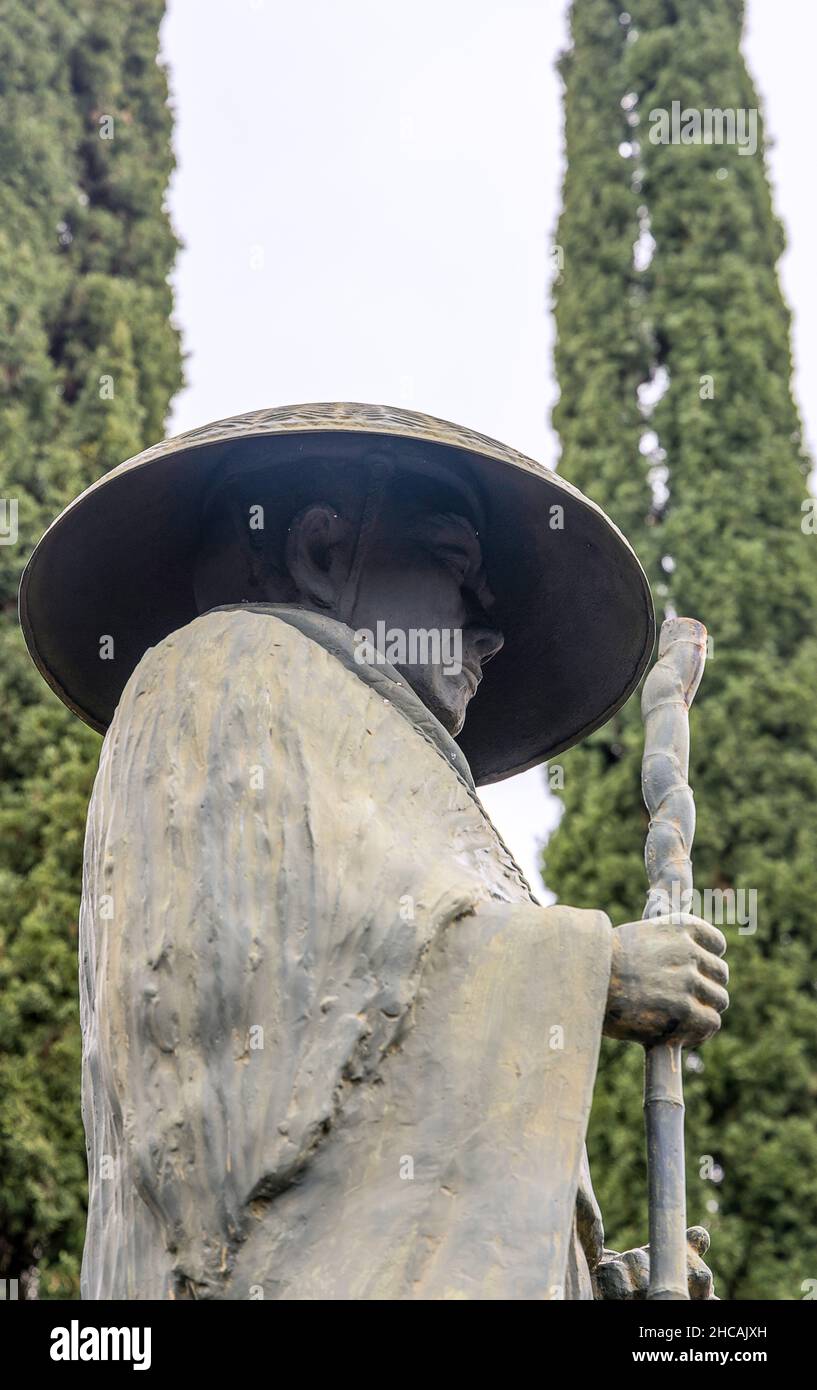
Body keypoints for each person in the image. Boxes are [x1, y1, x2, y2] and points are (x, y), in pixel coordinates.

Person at [20, 403, 728, 1299]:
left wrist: (577, 1274)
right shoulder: (229, 668)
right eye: (456, 567)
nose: (488, 628)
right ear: (321, 553)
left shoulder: (402, 774)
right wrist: (592, 967)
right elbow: (252, 999)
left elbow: (418, 1130)